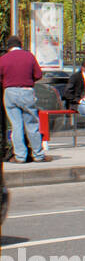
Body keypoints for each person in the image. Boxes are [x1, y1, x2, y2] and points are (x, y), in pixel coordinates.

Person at [1, 33, 46, 163]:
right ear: (20, 46)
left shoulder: (3, 59)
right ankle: (38, 155)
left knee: (16, 125)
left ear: (9, 47)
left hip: (10, 92)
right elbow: (38, 75)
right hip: (27, 91)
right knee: (32, 124)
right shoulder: (29, 56)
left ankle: (20, 156)